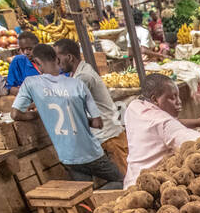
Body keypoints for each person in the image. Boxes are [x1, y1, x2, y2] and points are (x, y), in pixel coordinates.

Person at [12, 43, 122, 188]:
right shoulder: (76, 84)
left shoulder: (30, 83)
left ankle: (93, 202)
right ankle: (101, 199)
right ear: (56, 60)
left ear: (37, 63)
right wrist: (81, 119)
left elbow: (15, 113)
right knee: (122, 181)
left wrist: (39, 116)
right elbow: (97, 123)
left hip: (68, 157)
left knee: (84, 193)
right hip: (91, 152)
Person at [123, 73, 200, 187]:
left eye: (178, 96)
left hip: (131, 182)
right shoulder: (163, 123)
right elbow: (192, 138)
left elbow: (163, 125)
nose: (179, 101)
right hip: (150, 187)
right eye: (172, 97)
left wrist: (197, 122)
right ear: (155, 99)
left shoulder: (134, 106)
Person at [55, 37, 128, 174]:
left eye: (58, 58)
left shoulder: (83, 76)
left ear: (69, 57)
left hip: (109, 137)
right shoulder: (77, 74)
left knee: (126, 179)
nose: (57, 63)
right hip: (104, 137)